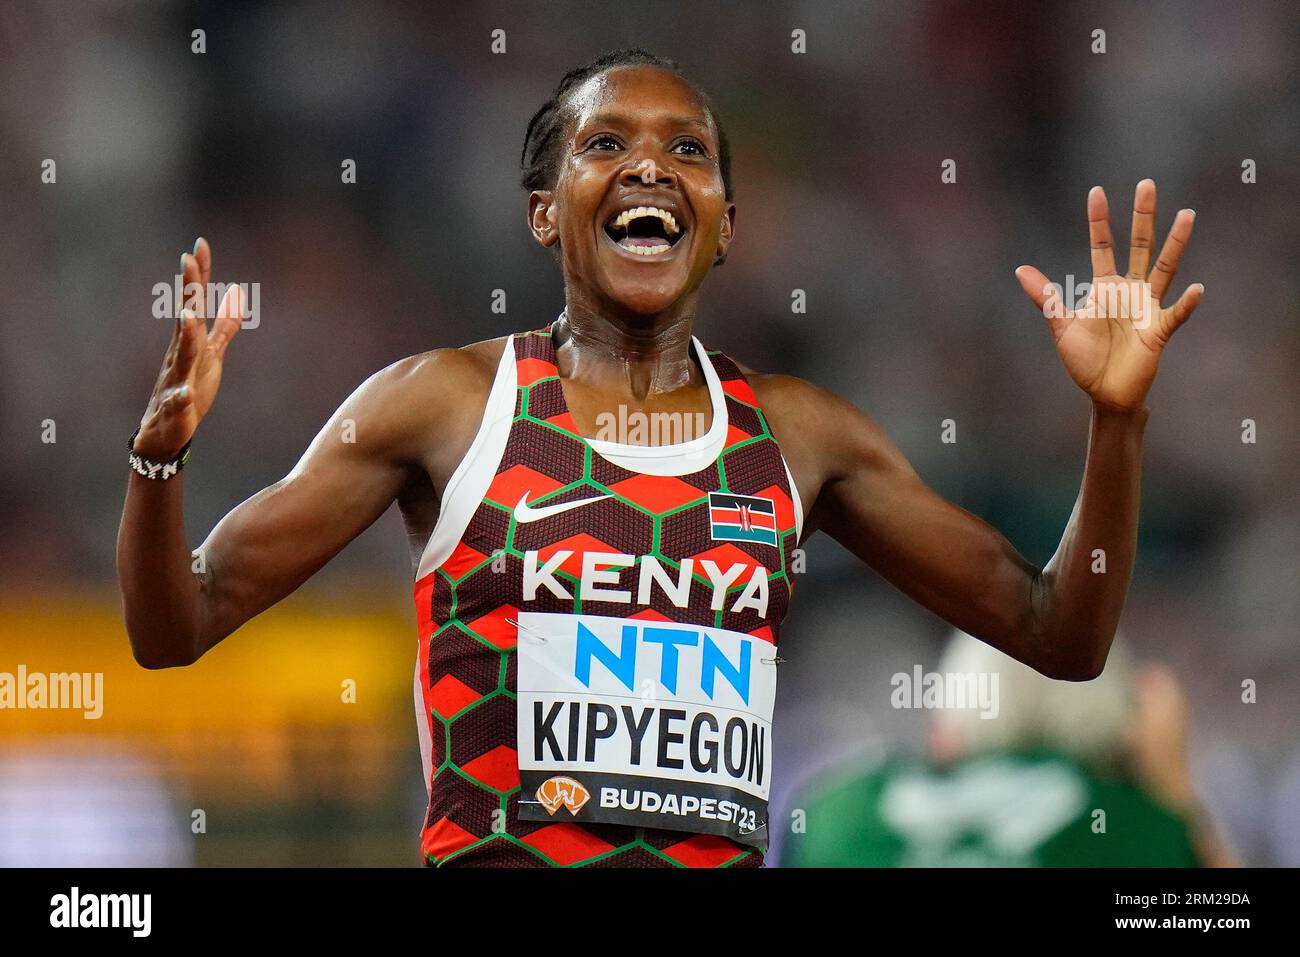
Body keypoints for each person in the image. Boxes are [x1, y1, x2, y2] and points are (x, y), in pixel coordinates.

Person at [117, 49, 1204, 867]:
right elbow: (177, 626)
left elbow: (1060, 633)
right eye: (607, 144)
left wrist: (1115, 425)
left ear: (723, 224)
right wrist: (156, 465)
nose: (651, 163)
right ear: (546, 215)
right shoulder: (443, 405)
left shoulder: (801, 435)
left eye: (688, 150)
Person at [779, 630, 1238, 867]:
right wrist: (1173, 788)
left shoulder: (834, 812)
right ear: (1122, 744)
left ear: (946, 732)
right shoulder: (1138, 829)